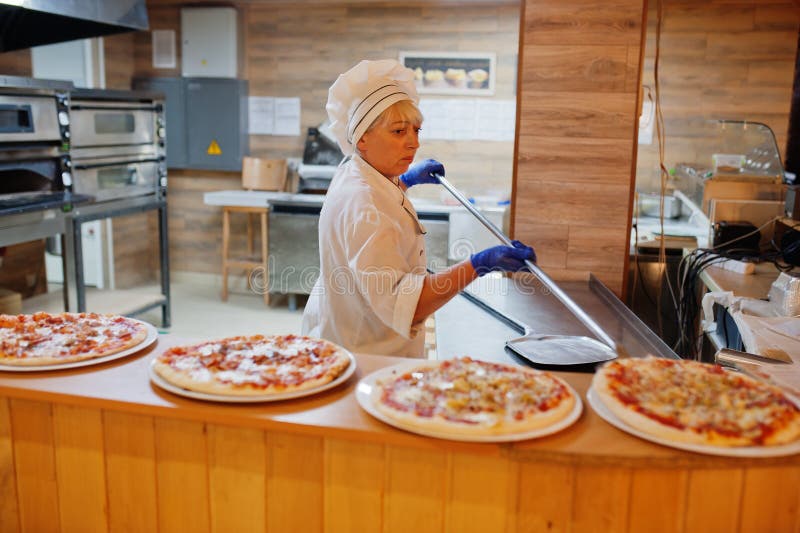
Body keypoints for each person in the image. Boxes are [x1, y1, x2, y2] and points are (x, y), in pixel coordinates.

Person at [301, 59, 535, 357]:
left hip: (342, 334)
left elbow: (377, 194)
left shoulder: (354, 170)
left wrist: (406, 181)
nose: (413, 143)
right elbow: (407, 307)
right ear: (363, 139)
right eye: (399, 132)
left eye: (416, 130)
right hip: (367, 357)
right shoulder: (365, 205)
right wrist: (478, 265)